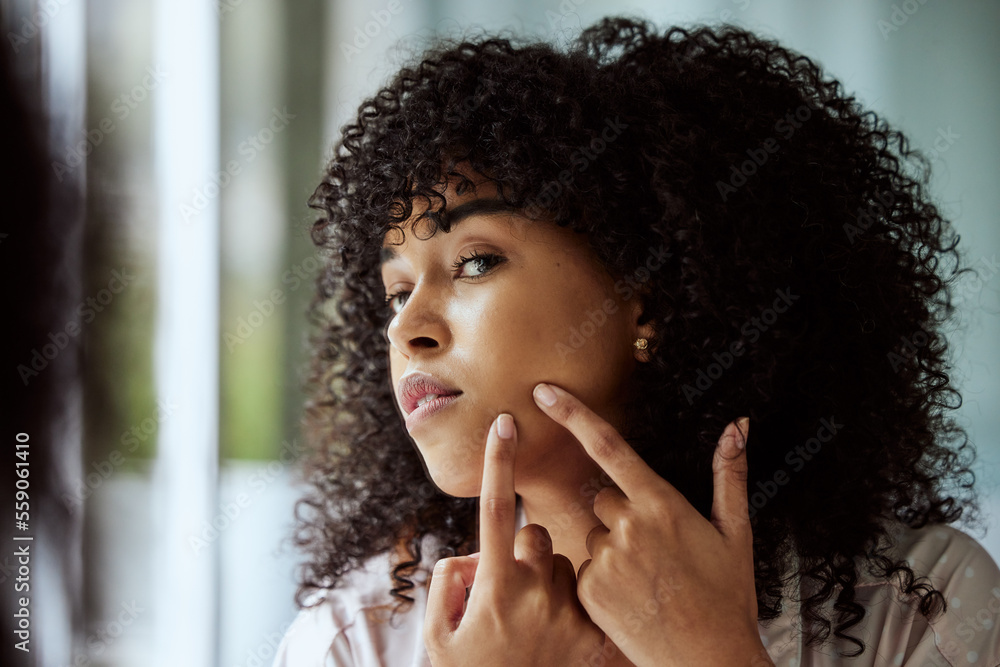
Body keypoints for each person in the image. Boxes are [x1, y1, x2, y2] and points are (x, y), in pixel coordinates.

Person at [273, 15, 1000, 667]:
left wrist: (714, 655)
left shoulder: (920, 605)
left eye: (474, 262)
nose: (406, 327)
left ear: (646, 297)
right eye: (396, 293)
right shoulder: (350, 639)